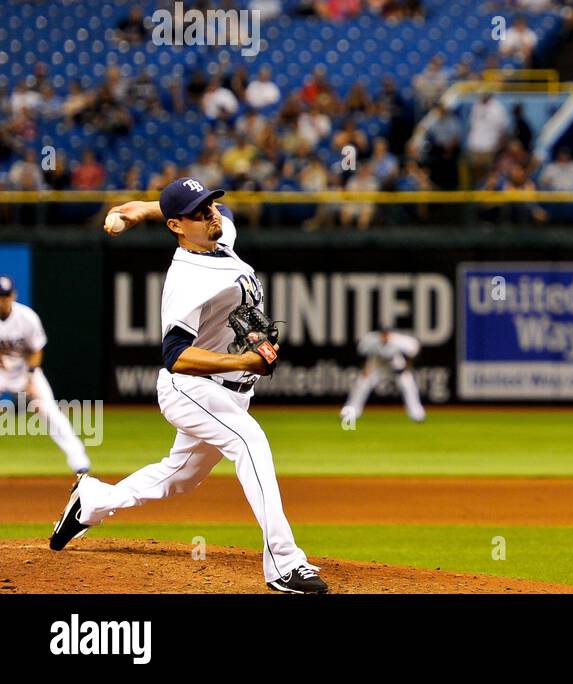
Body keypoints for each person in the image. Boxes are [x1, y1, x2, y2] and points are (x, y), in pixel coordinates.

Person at [49, 178, 328, 594]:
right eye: (199, 212)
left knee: (178, 477)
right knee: (250, 442)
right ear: (178, 226)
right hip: (190, 387)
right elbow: (174, 355)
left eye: (211, 205)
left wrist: (138, 210)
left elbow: (206, 214)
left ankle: (91, 500)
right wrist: (241, 360)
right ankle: (284, 564)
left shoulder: (217, 237)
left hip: (230, 392)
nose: (212, 214)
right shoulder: (186, 279)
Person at [0, 277, 90, 475]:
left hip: (26, 370)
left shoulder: (26, 317)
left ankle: (80, 463)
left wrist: (30, 379)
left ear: (13, 296)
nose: (2, 301)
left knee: (50, 410)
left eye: (5, 296)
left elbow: (37, 349)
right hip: (1, 372)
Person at [341, 329, 425, 424]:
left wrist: (407, 365)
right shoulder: (370, 340)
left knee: (408, 385)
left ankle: (417, 415)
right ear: (379, 334)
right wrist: (365, 367)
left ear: (390, 334)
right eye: (383, 334)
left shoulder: (401, 340)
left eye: (387, 334)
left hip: (397, 367)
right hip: (377, 367)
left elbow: (415, 351)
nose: (385, 336)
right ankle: (350, 414)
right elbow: (360, 354)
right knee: (361, 384)